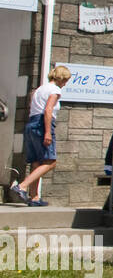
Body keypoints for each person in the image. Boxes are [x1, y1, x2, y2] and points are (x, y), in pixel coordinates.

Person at [10, 65, 72, 205]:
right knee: (50, 162)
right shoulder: (55, 90)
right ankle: (22, 186)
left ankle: (34, 197)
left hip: (31, 123)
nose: (65, 83)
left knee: (37, 161)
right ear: (61, 78)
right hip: (41, 124)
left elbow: (32, 107)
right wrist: (48, 131)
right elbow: (48, 110)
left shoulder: (40, 89)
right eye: (65, 80)